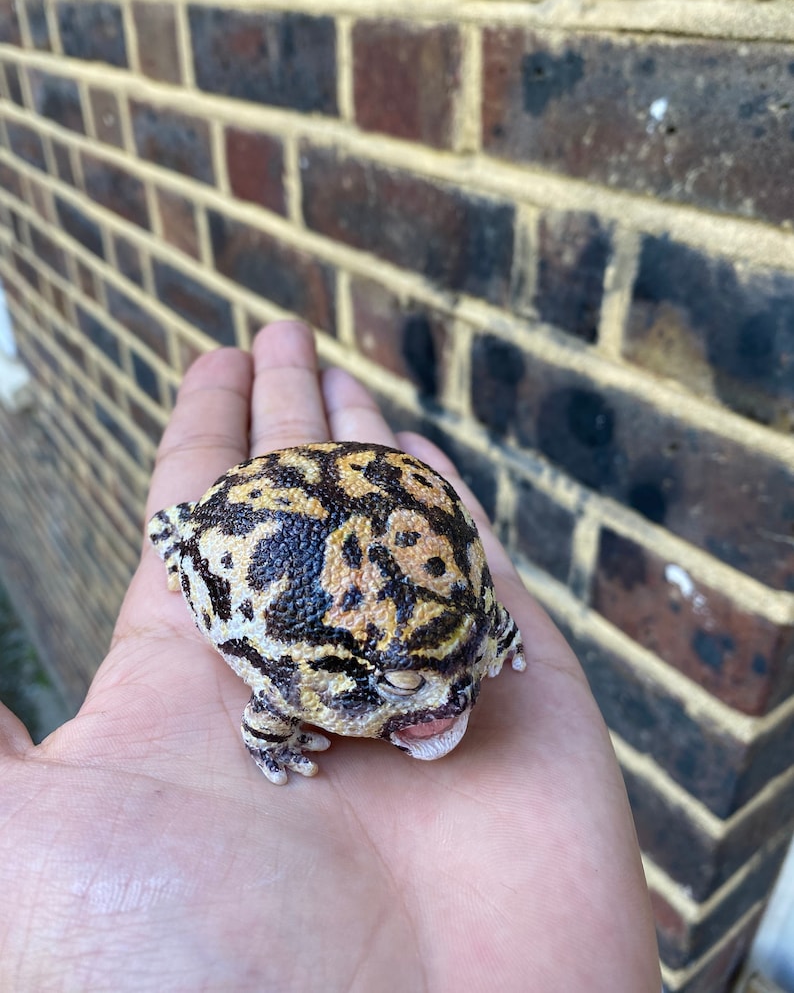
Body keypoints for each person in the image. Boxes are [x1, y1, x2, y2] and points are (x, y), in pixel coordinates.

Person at [0, 321, 661, 991]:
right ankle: (189, 536)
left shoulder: (459, 612)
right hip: (243, 533)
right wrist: (271, 742)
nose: (457, 695)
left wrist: (487, 632)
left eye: (469, 654)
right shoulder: (314, 678)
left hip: (390, 553)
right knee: (189, 534)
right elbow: (273, 701)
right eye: (414, 680)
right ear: (366, 677)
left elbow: (469, 607)